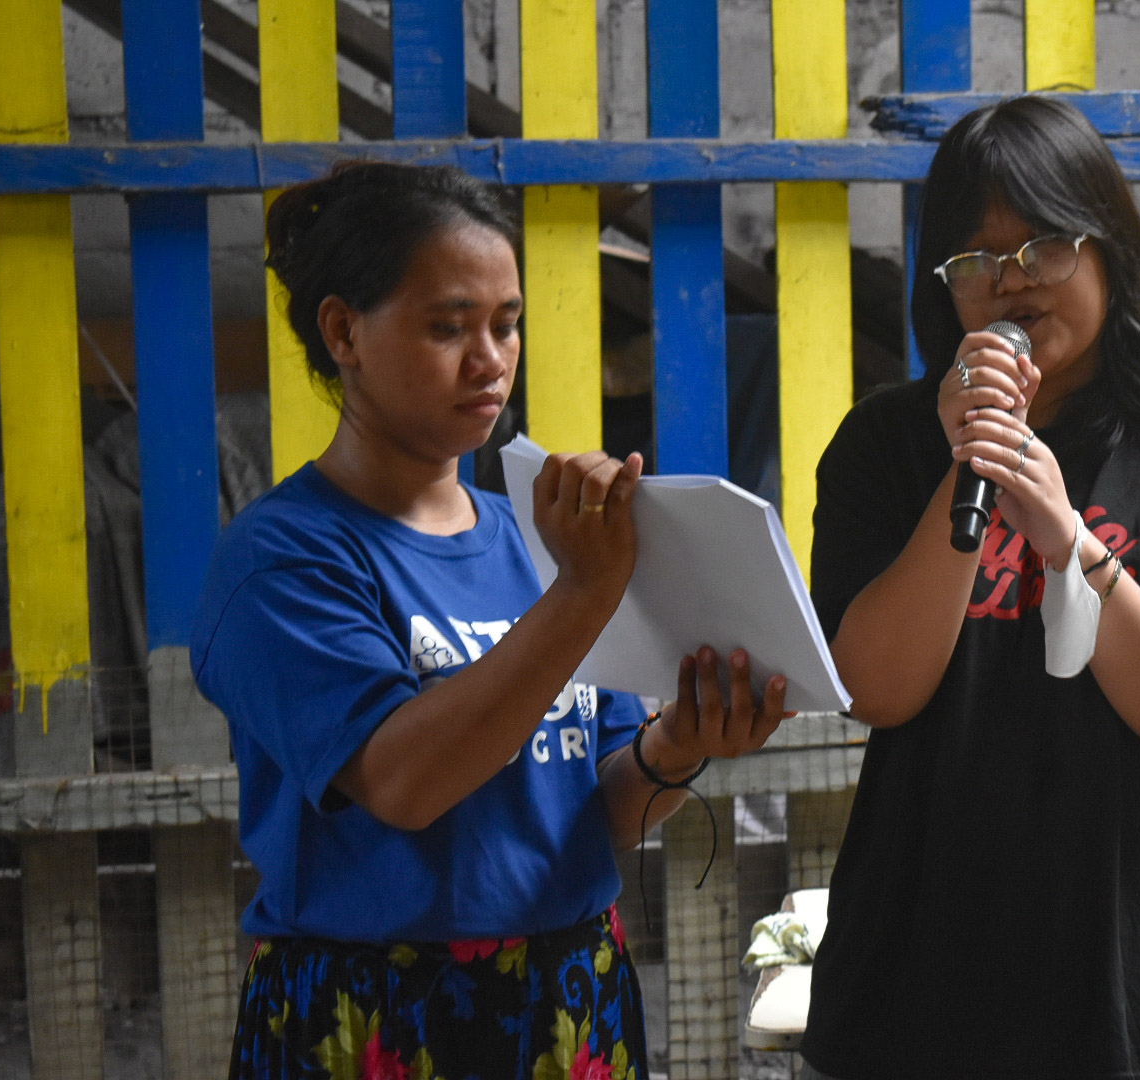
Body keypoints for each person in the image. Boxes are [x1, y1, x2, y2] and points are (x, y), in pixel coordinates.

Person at [190, 161, 787, 1080]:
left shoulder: (543, 543)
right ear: (343, 330)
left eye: (506, 324)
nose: (491, 359)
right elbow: (406, 782)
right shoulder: (284, 560)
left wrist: (682, 743)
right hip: (374, 1012)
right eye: (447, 327)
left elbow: (607, 811)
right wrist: (582, 596)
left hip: (568, 995)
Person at [799, 95, 1140, 1078]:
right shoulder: (884, 447)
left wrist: (1069, 541)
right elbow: (875, 690)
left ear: (1113, 250)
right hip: (917, 992)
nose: (1013, 283)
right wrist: (966, 464)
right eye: (977, 260)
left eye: (1046, 248)